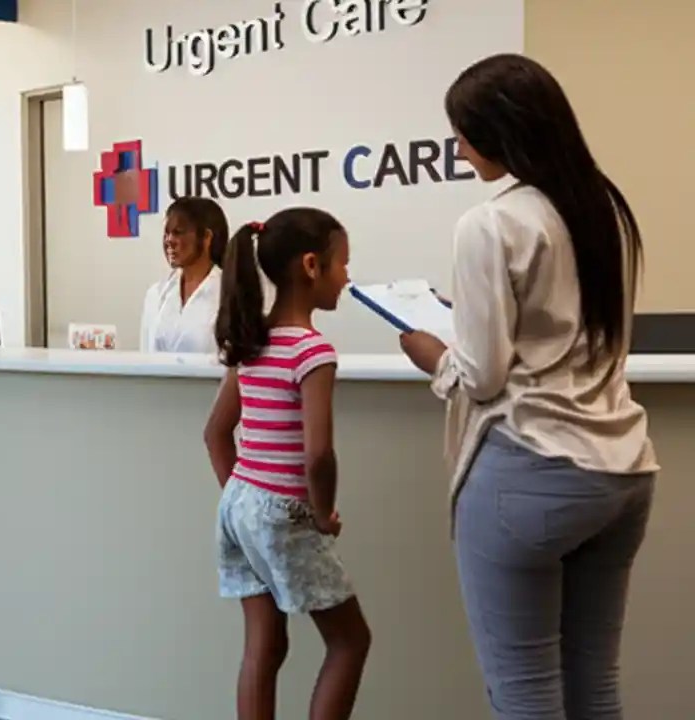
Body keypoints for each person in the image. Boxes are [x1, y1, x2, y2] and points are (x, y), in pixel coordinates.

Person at [400, 53, 658, 720]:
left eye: (462, 134)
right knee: (594, 683)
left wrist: (436, 356)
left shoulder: (490, 222)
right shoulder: (604, 207)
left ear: (501, 132)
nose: (457, 150)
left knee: (523, 690)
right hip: (625, 471)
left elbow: (482, 375)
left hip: (530, 470)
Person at [205, 208, 371, 720]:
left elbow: (215, 433)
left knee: (264, 646)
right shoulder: (313, 351)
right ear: (311, 266)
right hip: (283, 513)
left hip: (237, 506)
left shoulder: (251, 342)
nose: (348, 275)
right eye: (343, 263)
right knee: (350, 642)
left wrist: (244, 500)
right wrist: (322, 515)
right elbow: (318, 455)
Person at [139, 196, 229, 354]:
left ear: (207, 237)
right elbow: (145, 356)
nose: (169, 241)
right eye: (167, 233)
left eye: (178, 233)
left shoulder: (229, 293)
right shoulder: (156, 293)